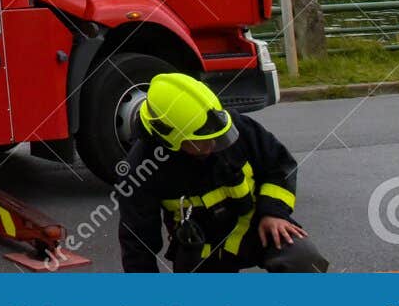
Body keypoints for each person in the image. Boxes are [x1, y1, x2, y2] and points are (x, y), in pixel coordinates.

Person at [118, 72, 328, 273]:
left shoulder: (230, 125)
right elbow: (138, 243)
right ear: (170, 138)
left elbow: (279, 166)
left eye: (218, 136)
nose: (213, 144)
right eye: (201, 142)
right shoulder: (141, 169)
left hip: (257, 227)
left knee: (302, 258)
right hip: (201, 249)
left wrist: (273, 212)